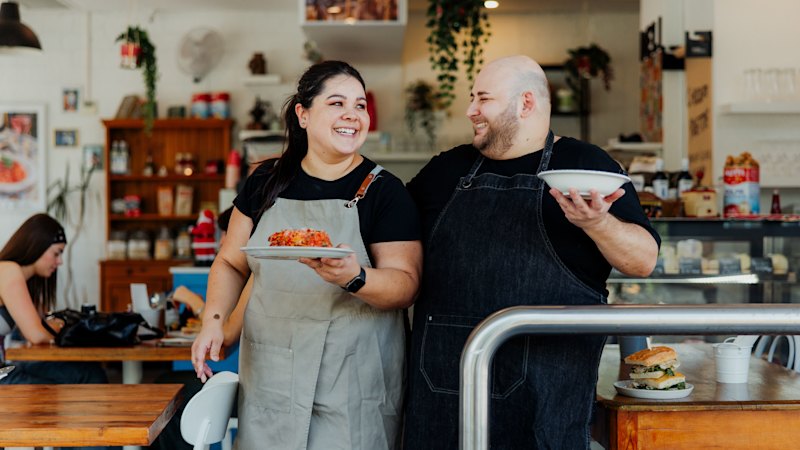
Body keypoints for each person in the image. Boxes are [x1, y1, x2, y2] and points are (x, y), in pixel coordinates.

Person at [403, 55, 660, 449]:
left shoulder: (584, 167)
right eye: (472, 97)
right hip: (446, 394)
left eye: (483, 99)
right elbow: (388, 234)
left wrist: (597, 224)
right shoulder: (446, 170)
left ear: (525, 103)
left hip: (547, 403)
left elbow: (642, 261)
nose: (470, 110)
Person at [192, 60, 422, 449]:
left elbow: (406, 284)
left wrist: (355, 276)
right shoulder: (265, 182)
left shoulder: (385, 192)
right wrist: (214, 320)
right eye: (336, 103)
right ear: (303, 114)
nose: (352, 115)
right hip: (271, 379)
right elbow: (232, 262)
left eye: (360, 105)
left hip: (354, 384)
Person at [0, 213, 108, 385]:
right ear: (37, 246)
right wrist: (61, 326)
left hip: (5, 368)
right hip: (3, 372)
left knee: (90, 372)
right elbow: (36, 335)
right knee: (85, 377)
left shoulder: (24, 280)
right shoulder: (8, 270)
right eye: (56, 253)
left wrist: (54, 326)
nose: (60, 262)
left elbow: (41, 326)